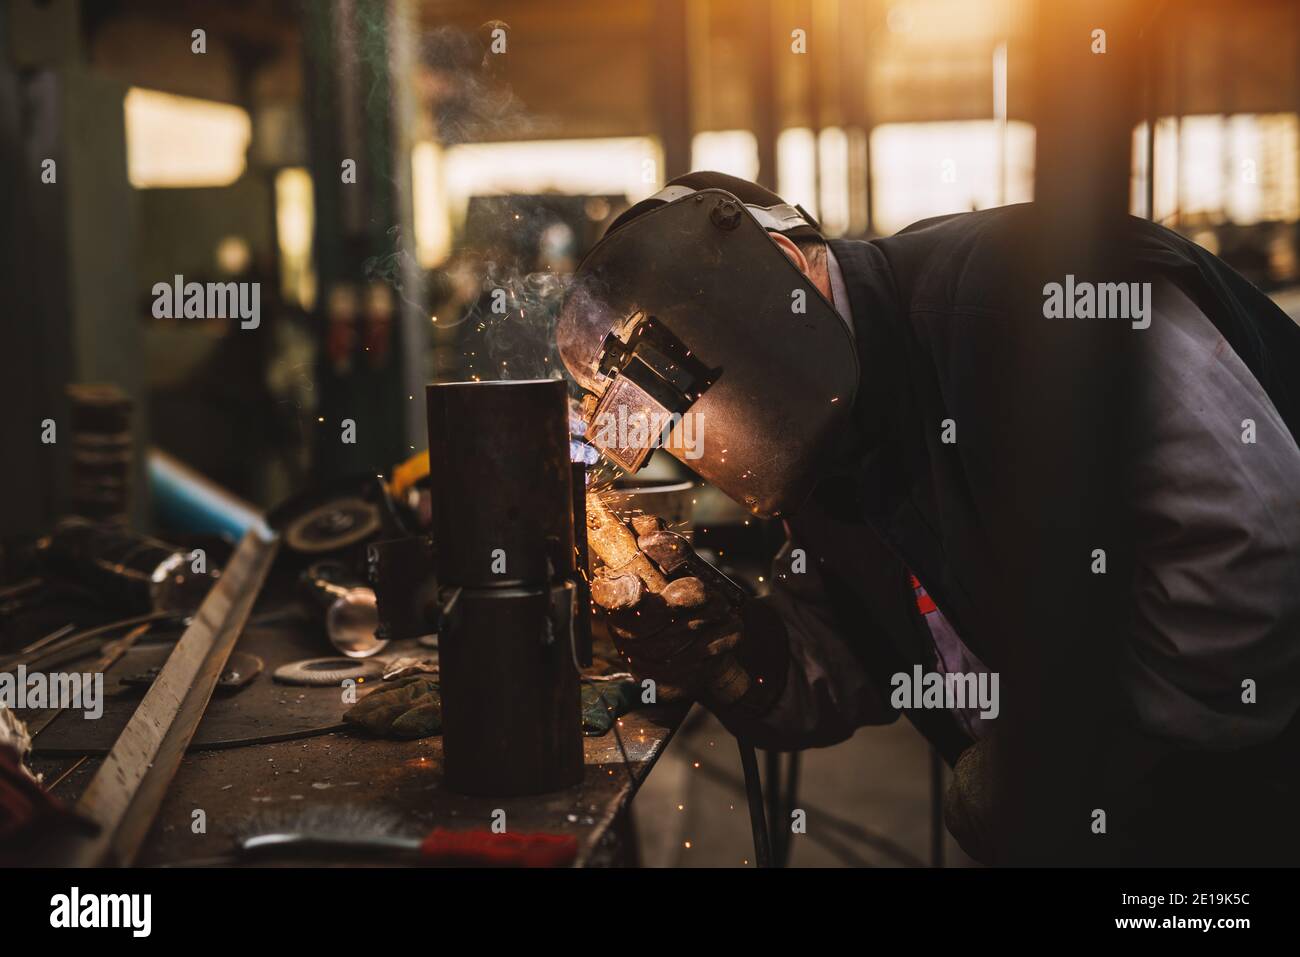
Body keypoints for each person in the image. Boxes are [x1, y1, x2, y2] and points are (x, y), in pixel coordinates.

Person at [557, 171, 1300, 865]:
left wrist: (1080, 760)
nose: (697, 444)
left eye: (690, 391)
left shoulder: (1027, 292)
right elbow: (853, 642)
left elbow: (1253, 550)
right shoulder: (823, 433)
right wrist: (732, 654)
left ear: (788, 267)